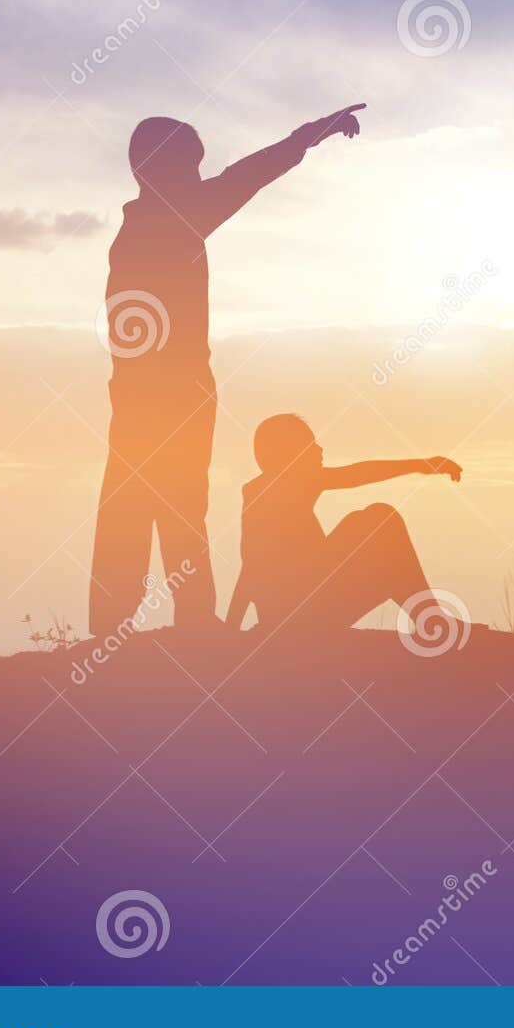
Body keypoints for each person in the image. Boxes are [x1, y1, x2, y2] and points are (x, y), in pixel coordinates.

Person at [88, 105, 365, 639]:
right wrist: (309, 135)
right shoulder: (172, 220)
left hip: (143, 393)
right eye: (190, 168)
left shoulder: (141, 227)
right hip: (169, 393)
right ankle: (184, 622)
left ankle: (123, 625)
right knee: (174, 501)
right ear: (159, 170)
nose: (198, 179)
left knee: (139, 501)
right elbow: (247, 177)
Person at [225, 413, 462, 636]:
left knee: (363, 520)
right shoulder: (277, 488)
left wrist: (232, 627)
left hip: (304, 610)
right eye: (310, 445)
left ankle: (429, 619)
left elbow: (358, 474)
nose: (319, 449)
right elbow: (251, 565)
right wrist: (422, 465)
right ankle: (430, 620)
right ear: (290, 455)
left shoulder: (269, 488)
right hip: (302, 618)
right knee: (381, 519)